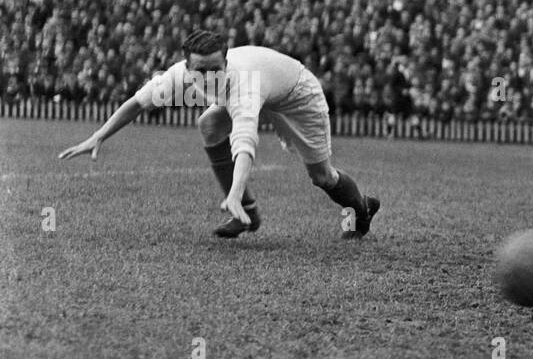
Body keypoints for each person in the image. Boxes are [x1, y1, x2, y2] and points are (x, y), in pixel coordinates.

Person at [58, 30, 381, 239]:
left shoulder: (244, 85)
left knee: (322, 177)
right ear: (187, 70)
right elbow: (137, 103)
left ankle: (362, 209)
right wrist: (98, 136)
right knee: (209, 124)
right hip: (270, 91)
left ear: (226, 63)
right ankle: (246, 216)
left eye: (217, 69)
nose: (210, 77)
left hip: (297, 94)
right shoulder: (177, 76)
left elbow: (245, 144)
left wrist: (234, 190)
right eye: (201, 71)